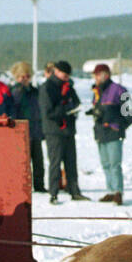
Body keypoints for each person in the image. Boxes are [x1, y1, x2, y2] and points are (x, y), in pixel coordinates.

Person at [39, 60, 89, 203]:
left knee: (71, 162)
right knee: (55, 162)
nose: (66, 77)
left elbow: (77, 102)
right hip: (54, 131)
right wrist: (66, 110)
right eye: (64, 74)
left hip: (68, 130)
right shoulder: (47, 87)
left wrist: (74, 109)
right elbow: (48, 111)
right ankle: (53, 193)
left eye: (68, 75)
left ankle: (74, 191)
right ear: (57, 71)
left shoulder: (69, 87)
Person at [88, 63, 132, 204]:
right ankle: (110, 191)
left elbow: (131, 113)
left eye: (97, 75)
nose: (95, 78)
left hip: (114, 133)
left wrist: (119, 125)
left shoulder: (119, 90)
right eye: (94, 75)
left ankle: (117, 192)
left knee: (115, 164)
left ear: (106, 75)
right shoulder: (96, 92)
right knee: (105, 164)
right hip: (100, 132)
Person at [10, 61, 46, 193]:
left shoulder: (35, 92)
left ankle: (39, 185)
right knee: (23, 163)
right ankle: (24, 187)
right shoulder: (14, 92)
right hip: (22, 131)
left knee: (38, 161)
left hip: (35, 129)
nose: (24, 79)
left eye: (27, 76)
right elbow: (13, 110)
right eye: (21, 77)